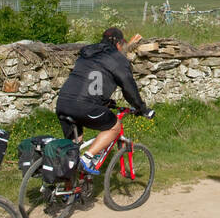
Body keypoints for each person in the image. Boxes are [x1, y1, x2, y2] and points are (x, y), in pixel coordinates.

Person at [56, 27, 154, 174]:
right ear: (119, 44)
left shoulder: (88, 53)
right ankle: (87, 159)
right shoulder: (117, 59)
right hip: (84, 106)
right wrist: (141, 108)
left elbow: (88, 81)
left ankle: (70, 188)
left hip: (63, 103)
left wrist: (104, 102)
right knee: (114, 126)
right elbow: (129, 88)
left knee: (74, 147)